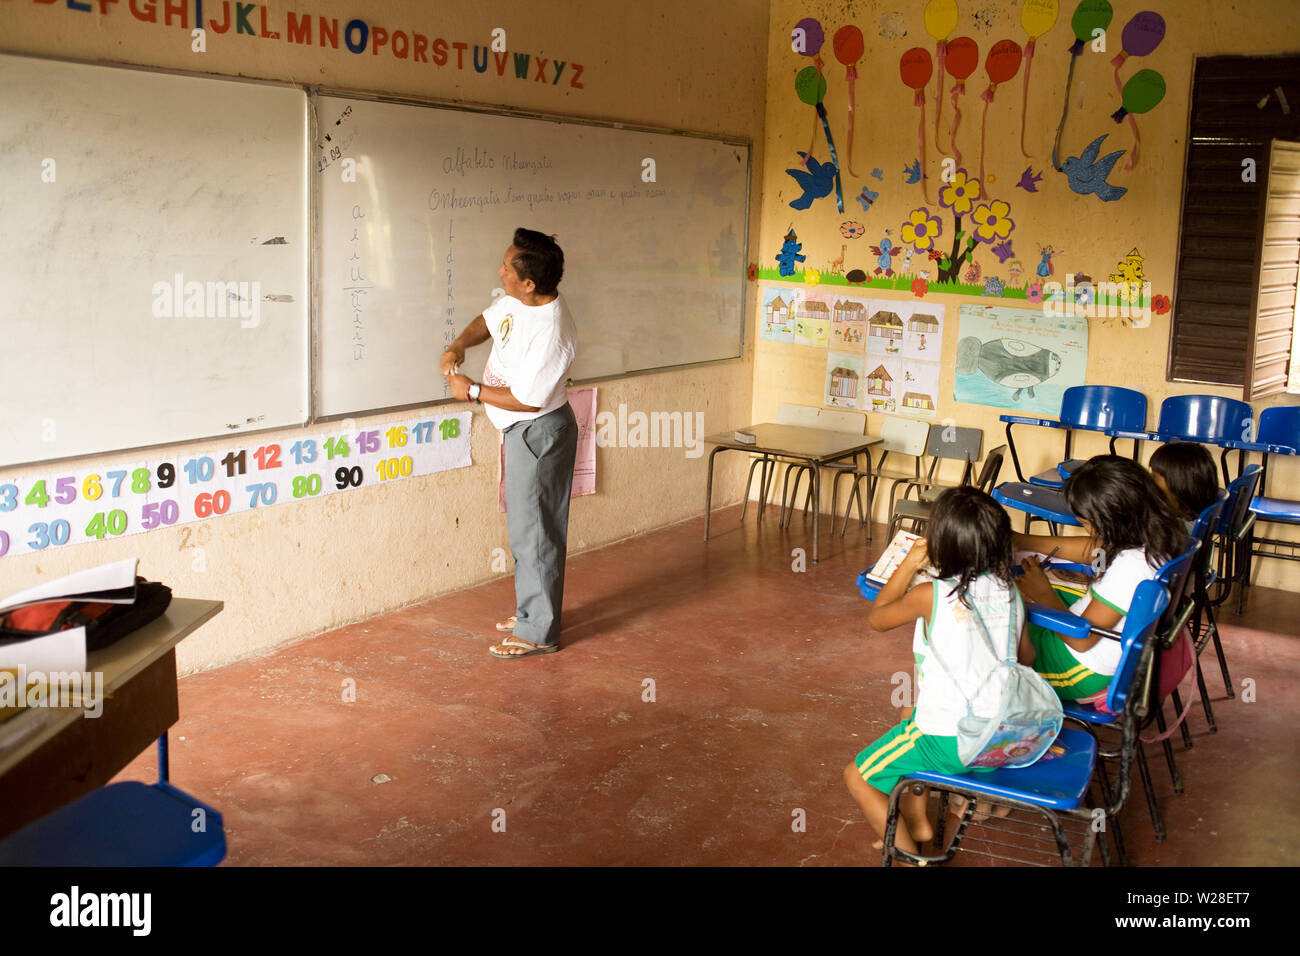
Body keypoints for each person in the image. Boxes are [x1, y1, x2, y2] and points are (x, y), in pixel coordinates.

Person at [844, 486, 1031, 859]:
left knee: (858, 777)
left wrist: (910, 564)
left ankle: (913, 858)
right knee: (908, 713)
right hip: (1006, 729)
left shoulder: (931, 593)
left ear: (941, 544)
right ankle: (917, 821)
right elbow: (1027, 657)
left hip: (954, 740)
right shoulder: (1011, 591)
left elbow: (878, 617)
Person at [439, 229, 578, 659]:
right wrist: (458, 345)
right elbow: (488, 320)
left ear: (530, 283)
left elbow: (527, 399)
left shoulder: (552, 331)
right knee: (526, 529)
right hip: (520, 431)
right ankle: (531, 614)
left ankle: (539, 633)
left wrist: (473, 391)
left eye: (507, 268)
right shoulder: (515, 300)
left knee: (535, 532)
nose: (500, 271)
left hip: (538, 433)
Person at [1013, 455, 1186, 702]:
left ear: (1113, 520)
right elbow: (1096, 550)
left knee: (999, 628)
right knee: (1024, 599)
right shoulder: (1160, 534)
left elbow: (1082, 640)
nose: (1088, 530)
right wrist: (1022, 540)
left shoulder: (1131, 566)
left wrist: (1043, 595)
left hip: (1078, 668)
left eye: (1086, 523)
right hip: (1104, 641)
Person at [1149, 441, 1220, 528]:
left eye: (1154, 477)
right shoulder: (1194, 520)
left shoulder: (1172, 531)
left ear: (1178, 483)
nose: (1150, 482)